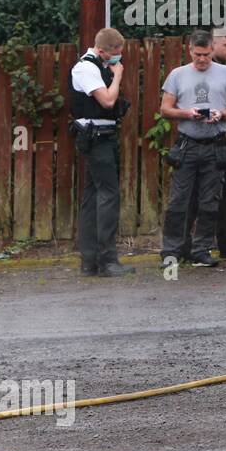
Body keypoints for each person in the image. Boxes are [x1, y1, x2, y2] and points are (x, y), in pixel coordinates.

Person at [159, 31, 226, 267]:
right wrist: (187, 113)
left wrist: (221, 114)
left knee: (210, 201)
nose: (202, 59)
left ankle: (201, 250)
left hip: (215, 145)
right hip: (187, 144)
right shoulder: (177, 75)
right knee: (178, 201)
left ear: (211, 51)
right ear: (190, 50)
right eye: (198, 55)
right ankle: (172, 252)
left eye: (206, 55)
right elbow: (165, 109)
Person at [175, 32, 226, 261]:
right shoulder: (198, 71)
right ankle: (209, 245)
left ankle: (211, 244)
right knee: (203, 195)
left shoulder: (223, 72)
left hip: (215, 140)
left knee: (222, 190)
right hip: (196, 142)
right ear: (213, 44)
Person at [70, 27, 134, 277]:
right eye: (114, 54)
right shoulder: (86, 67)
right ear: (101, 50)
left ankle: (90, 261)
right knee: (108, 195)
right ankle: (107, 261)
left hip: (102, 135)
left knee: (92, 196)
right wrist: (117, 76)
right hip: (96, 138)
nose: (117, 59)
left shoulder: (97, 65)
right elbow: (107, 101)